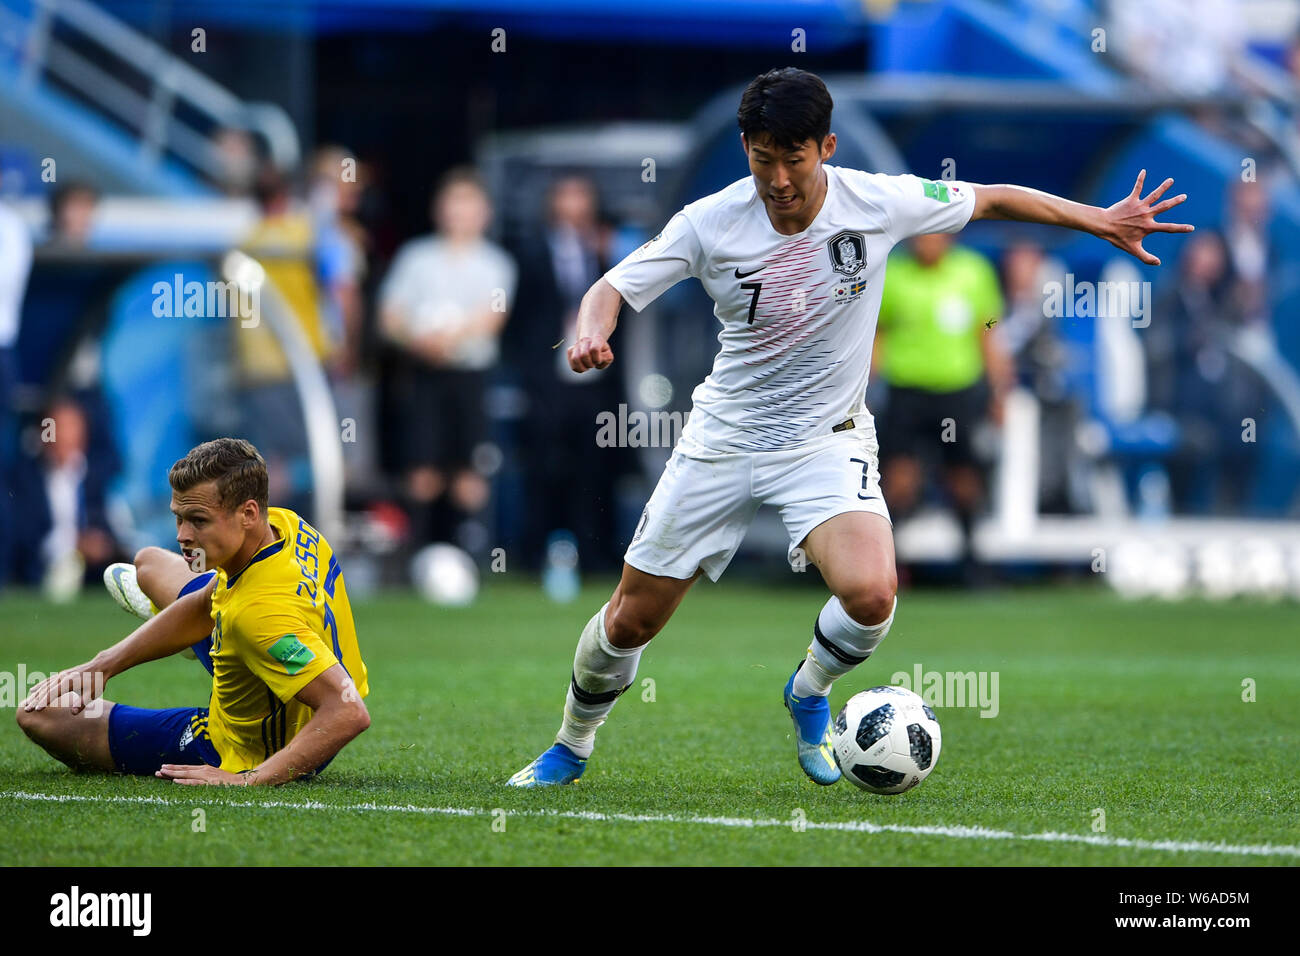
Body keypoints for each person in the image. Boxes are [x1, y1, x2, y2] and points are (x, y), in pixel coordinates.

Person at [506, 67, 1192, 788]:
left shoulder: (878, 200)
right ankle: (572, 743)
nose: (776, 178)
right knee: (630, 621)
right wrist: (590, 332)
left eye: (792, 158)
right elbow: (611, 286)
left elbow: (990, 199)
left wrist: (1099, 218)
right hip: (724, 439)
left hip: (826, 440)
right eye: (761, 157)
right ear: (745, 148)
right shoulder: (709, 222)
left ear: (825, 146)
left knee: (871, 594)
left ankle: (807, 690)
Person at [17, 438, 371, 785]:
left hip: (268, 746)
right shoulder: (287, 525)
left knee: (39, 715)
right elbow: (208, 604)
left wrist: (248, 779)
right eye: (179, 518)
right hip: (271, 655)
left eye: (198, 521)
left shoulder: (259, 617)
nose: (183, 535)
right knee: (148, 563)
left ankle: (208, 646)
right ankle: (202, 641)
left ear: (247, 513)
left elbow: (347, 712)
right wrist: (101, 666)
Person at [379, 167, 517, 552]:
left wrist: (449, 338)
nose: (459, 212)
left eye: (467, 203)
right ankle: (417, 558)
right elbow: (390, 315)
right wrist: (418, 340)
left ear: (483, 212)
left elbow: (492, 318)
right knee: (422, 470)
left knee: (470, 472)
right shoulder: (416, 258)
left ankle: (471, 560)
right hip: (425, 374)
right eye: (452, 203)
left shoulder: (496, 264)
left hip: (471, 376)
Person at [508, 174, 634, 571]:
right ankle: (534, 552)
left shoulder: (607, 251)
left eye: (581, 196)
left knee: (596, 467)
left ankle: (596, 552)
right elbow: (520, 319)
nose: (573, 205)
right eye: (565, 196)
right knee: (543, 465)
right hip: (549, 379)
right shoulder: (530, 253)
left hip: (598, 381)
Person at [873, 231, 1012, 583]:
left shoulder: (974, 272)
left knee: (963, 477)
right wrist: (863, 388)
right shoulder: (893, 275)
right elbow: (878, 333)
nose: (926, 242)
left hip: (958, 392)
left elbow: (989, 326)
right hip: (906, 391)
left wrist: (999, 391)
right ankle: (890, 566)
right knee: (899, 478)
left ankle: (971, 559)